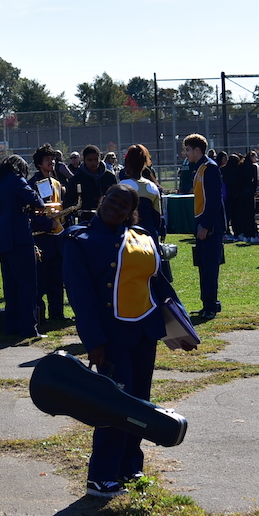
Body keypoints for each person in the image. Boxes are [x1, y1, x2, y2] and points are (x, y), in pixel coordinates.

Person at [63, 183, 171, 498]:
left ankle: (130, 466)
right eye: (112, 200)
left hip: (144, 333)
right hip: (110, 339)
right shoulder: (79, 240)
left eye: (124, 205)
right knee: (113, 406)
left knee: (139, 401)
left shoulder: (142, 237)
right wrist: (94, 343)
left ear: (131, 212)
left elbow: (160, 287)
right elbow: (82, 299)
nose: (116, 207)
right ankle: (101, 476)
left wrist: (182, 331)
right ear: (102, 199)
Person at [0, 154, 43, 339]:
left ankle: (12, 326)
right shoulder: (16, 179)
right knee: (27, 285)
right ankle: (29, 328)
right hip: (20, 237)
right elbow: (35, 200)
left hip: (4, 237)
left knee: (11, 285)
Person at [184, 134, 224, 322]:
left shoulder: (210, 168)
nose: (186, 154)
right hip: (201, 221)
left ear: (197, 150)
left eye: (188, 150)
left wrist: (206, 225)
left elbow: (215, 200)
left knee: (209, 267)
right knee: (203, 266)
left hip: (210, 226)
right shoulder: (199, 168)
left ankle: (210, 306)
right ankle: (208, 303)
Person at [28, 144, 68, 326]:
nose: (51, 162)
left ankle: (57, 313)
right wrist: (47, 223)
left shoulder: (57, 184)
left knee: (57, 278)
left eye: (52, 159)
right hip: (41, 237)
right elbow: (30, 213)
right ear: (38, 164)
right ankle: (38, 314)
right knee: (40, 279)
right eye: (47, 159)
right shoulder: (33, 184)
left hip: (57, 237)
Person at [71, 145, 115, 219]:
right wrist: (79, 213)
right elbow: (69, 202)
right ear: (84, 160)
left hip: (107, 219)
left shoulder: (109, 176)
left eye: (95, 159)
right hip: (85, 221)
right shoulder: (77, 179)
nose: (93, 163)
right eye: (90, 160)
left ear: (100, 158)